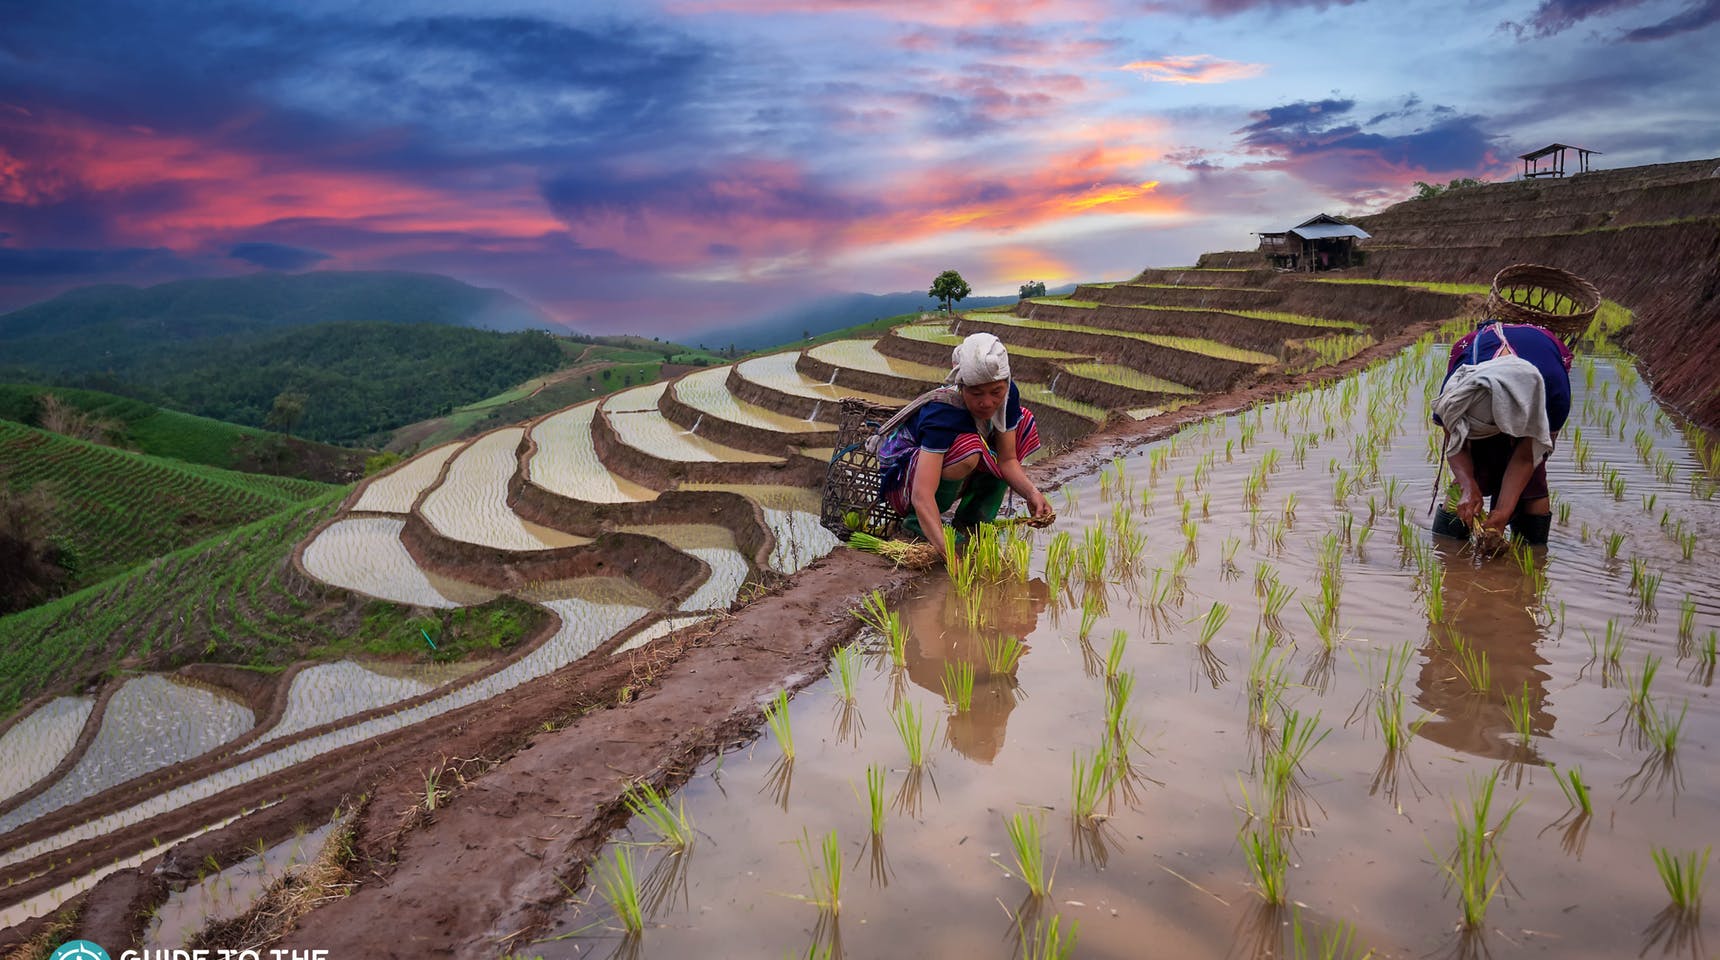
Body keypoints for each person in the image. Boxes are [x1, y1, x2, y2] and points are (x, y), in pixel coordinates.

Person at [872, 333, 1055, 560]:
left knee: (1022, 422)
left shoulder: (1008, 396)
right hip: (904, 479)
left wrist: (1032, 494)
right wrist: (947, 553)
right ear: (961, 387)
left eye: (996, 392)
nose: (987, 402)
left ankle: (973, 521)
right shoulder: (944, 413)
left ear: (1006, 384)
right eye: (976, 393)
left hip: (948, 465)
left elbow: (1007, 460)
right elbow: (922, 495)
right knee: (969, 446)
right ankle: (917, 524)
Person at [1430, 320, 1573, 545]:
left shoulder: (1552, 391)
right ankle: (1448, 548)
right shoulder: (1457, 392)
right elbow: (1455, 443)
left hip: (1541, 365)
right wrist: (1468, 485)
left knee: (1532, 482)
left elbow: (1527, 456)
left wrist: (1504, 511)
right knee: (1470, 477)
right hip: (1482, 363)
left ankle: (1532, 555)